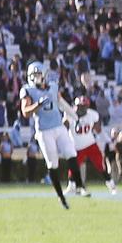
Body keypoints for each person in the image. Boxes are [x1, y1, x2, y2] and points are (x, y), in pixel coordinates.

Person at [17, 62, 73, 210]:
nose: (40, 78)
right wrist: (38, 105)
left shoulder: (52, 87)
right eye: (36, 75)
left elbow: (60, 102)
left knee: (69, 153)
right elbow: (25, 112)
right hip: (42, 130)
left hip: (56, 126)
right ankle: (60, 195)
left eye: (41, 75)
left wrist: (71, 115)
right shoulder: (27, 90)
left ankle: (72, 184)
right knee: (52, 162)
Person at [66, 96, 116, 197]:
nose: (81, 109)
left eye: (83, 107)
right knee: (73, 167)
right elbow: (64, 127)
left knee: (100, 166)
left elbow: (98, 130)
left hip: (90, 144)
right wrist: (65, 118)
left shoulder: (92, 114)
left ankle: (111, 185)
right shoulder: (69, 114)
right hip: (77, 147)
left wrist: (107, 140)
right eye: (79, 106)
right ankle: (71, 186)